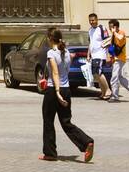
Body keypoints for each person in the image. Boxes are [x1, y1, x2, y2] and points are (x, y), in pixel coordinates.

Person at [40, 27, 94, 162]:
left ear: (50, 38)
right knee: (66, 122)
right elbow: (63, 70)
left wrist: (57, 92)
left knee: (48, 121)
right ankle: (86, 142)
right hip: (67, 89)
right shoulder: (67, 53)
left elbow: (55, 73)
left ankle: (50, 153)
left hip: (54, 90)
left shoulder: (51, 53)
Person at [107, 19, 129, 101]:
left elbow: (120, 38)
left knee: (114, 77)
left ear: (115, 27)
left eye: (111, 27)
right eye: (109, 27)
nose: (110, 29)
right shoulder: (113, 35)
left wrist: (114, 32)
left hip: (119, 59)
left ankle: (115, 96)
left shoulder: (121, 32)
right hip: (115, 59)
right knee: (121, 79)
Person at [88, 12, 112, 98]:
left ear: (97, 20)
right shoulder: (90, 30)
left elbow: (108, 41)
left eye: (93, 20)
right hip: (94, 55)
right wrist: (88, 55)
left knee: (98, 72)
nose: (91, 22)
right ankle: (103, 92)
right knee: (95, 74)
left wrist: (108, 55)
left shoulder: (102, 28)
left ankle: (108, 90)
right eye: (90, 20)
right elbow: (90, 43)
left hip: (100, 54)